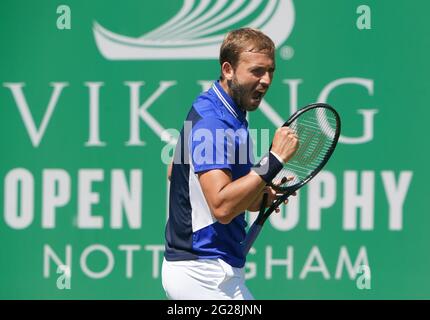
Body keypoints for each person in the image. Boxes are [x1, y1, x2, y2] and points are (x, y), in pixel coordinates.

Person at [162, 28, 299, 300]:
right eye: (257, 71)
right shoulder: (214, 122)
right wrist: (274, 160)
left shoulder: (224, 111)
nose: (266, 80)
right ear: (228, 69)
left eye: (271, 71)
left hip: (210, 271)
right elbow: (223, 207)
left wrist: (260, 194)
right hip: (202, 274)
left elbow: (176, 172)